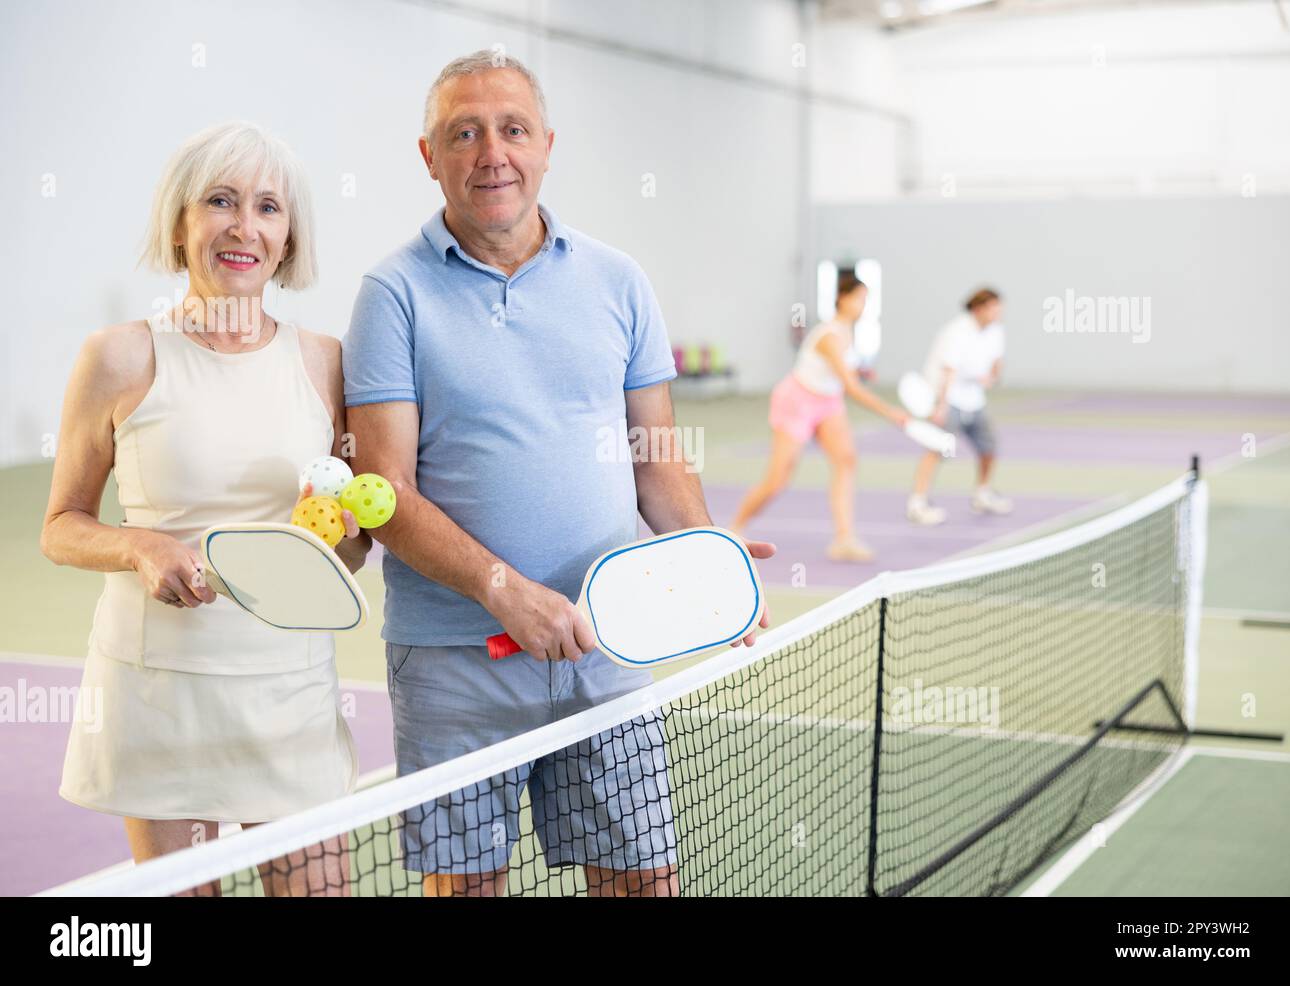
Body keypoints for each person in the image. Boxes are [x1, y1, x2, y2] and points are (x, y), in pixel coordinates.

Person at [342, 50, 773, 897]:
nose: (490, 153)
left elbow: (656, 457)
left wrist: (703, 560)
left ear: (546, 143)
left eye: (511, 129)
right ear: (429, 156)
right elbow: (385, 494)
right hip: (452, 662)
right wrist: (503, 590)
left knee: (643, 883)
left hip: (606, 650)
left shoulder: (620, 281)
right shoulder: (390, 294)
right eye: (463, 134)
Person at [42, 121, 367, 896]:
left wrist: (347, 539)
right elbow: (61, 526)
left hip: (288, 691)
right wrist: (139, 547)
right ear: (182, 224)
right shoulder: (120, 356)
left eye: (267, 208)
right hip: (161, 694)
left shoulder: (325, 362)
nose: (243, 227)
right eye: (220, 201)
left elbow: (348, 552)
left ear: (289, 239)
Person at [730, 271, 909, 562]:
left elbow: (842, 375)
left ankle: (844, 539)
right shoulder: (830, 336)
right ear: (842, 298)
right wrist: (891, 412)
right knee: (777, 479)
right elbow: (851, 387)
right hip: (797, 400)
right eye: (859, 298)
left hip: (828, 401)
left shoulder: (849, 333)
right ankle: (734, 530)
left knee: (846, 460)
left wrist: (858, 372)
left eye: (866, 299)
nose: (863, 305)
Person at [907, 287, 1013, 526]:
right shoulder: (957, 331)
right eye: (993, 308)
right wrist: (941, 406)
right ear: (977, 309)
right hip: (948, 398)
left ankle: (982, 494)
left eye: (999, 308)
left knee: (989, 448)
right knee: (938, 450)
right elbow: (949, 370)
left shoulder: (996, 331)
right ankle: (917, 503)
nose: (998, 312)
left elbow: (996, 362)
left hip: (974, 401)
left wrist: (992, 376)